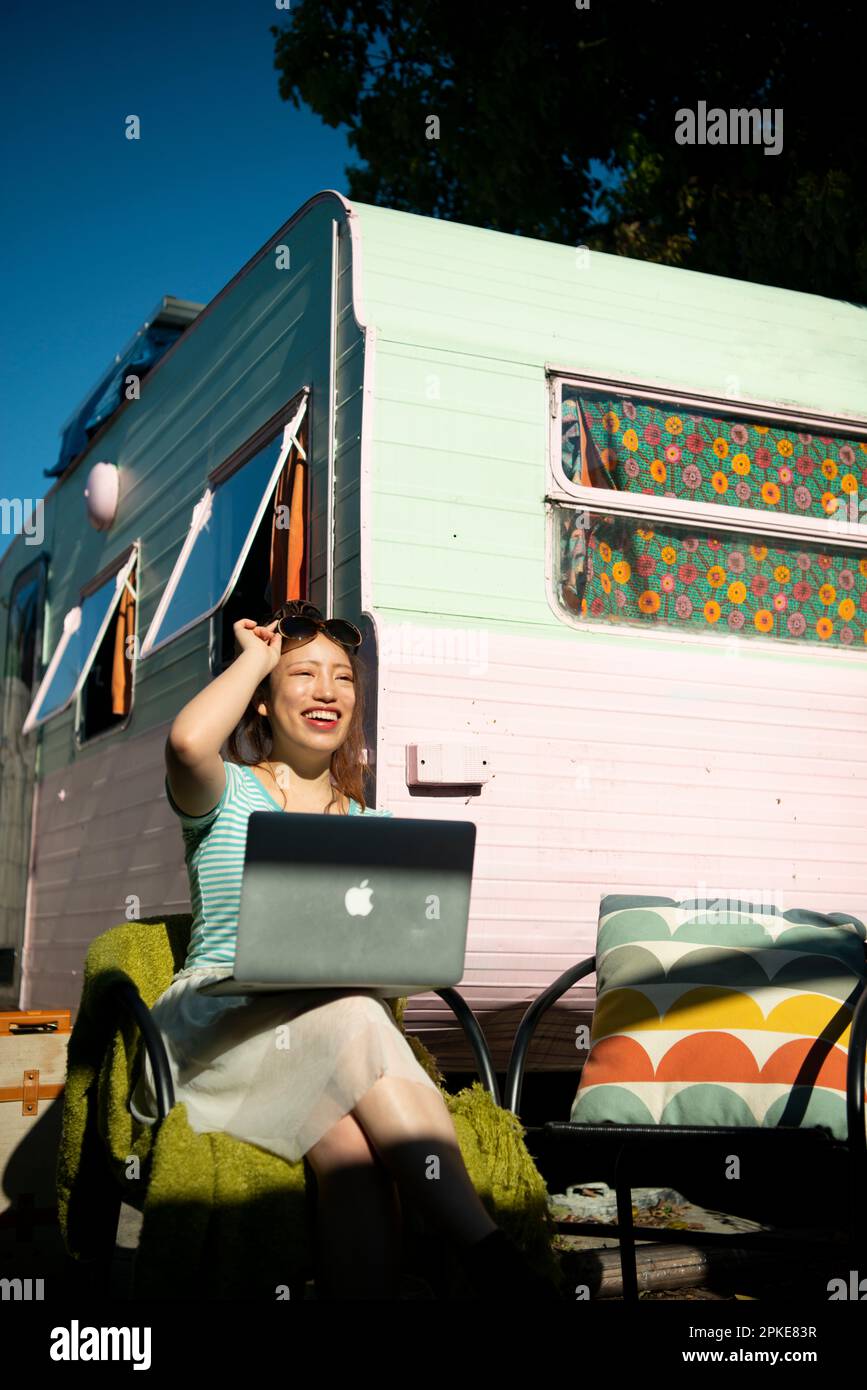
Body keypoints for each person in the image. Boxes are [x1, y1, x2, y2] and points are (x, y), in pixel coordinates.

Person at [130, 599, 560, 1300]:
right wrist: (255, 657)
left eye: (343, 678)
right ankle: (486, 1251)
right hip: (215, 1023)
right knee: (356, 1015)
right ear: (264, 702)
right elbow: (186, 744)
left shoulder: (370, 824)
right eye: (302, 675)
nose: (327, 691)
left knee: (351, 1153)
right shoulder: (224, 790)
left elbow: (389, 955)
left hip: (321, 1029)